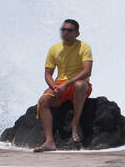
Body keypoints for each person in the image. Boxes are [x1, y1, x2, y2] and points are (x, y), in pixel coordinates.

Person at [34, 18, 93, 152]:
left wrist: (66, 84)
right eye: (63, 30)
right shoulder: (54, 49)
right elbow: (48, 74)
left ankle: (75, 124)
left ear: (77, 33)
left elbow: (87, 71)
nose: (65, 32)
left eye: (69, 30)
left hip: (78, 85)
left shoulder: (84, 47)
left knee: (79, 85)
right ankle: (49, 141)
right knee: (44, 100)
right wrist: (55, 87)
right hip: (60, 86)